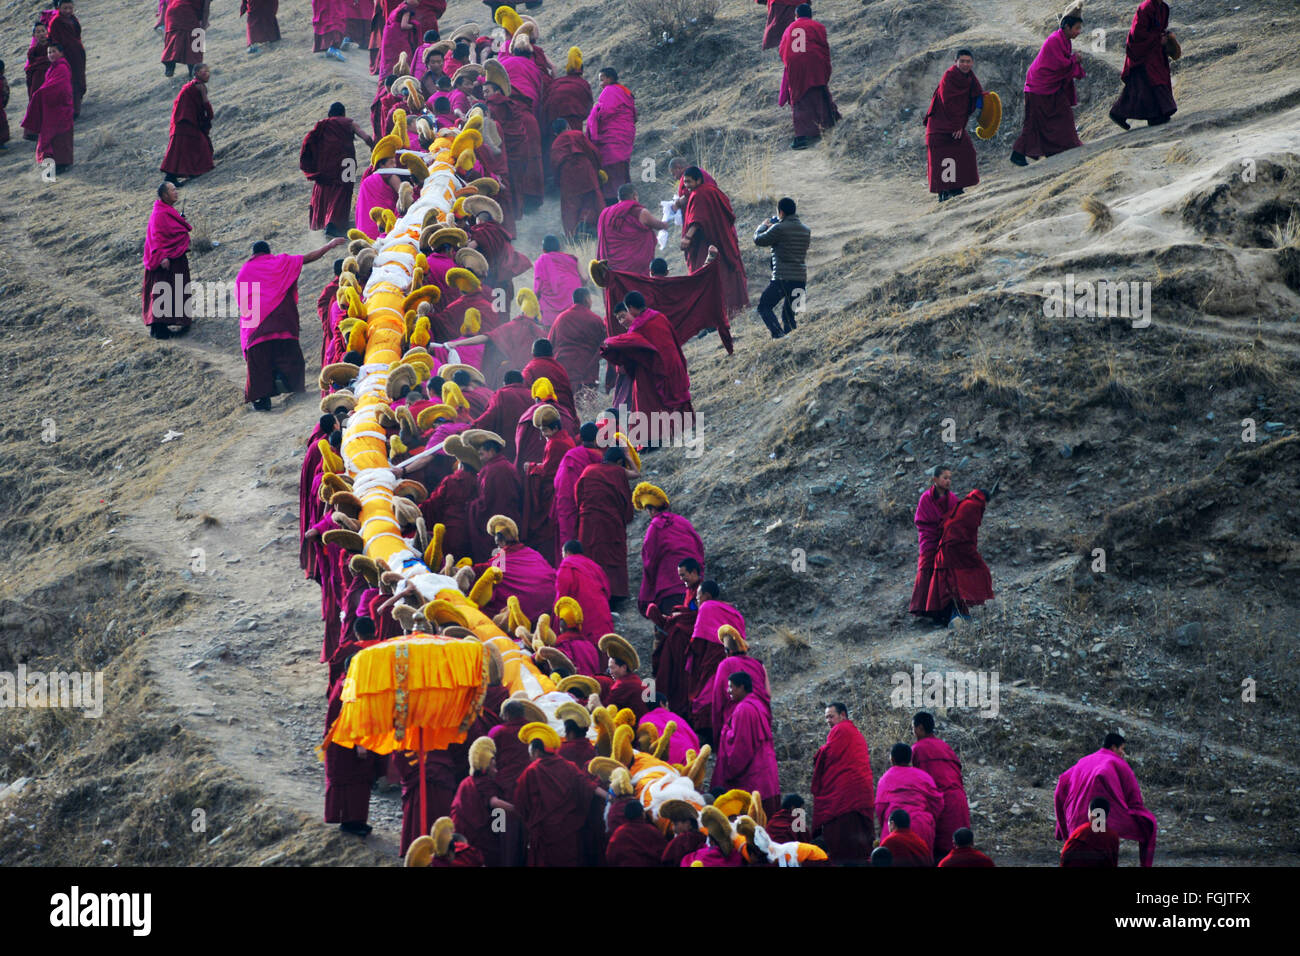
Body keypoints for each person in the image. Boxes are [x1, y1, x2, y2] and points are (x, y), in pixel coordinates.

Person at [237, 237, 345, 410]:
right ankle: (291, 385)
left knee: (258, 361)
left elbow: (244, 305)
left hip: (257, 324)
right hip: (282, 319)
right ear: (268, 252)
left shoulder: (244, 272)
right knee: (289, 353)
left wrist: (249, 329)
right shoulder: (280, 261)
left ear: (253, 254)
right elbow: (308, 258)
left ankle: (262, 400)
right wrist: (328, 246)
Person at [600, 291, 693, 440]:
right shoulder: (659, 316)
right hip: (674, 363)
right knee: (678, 395)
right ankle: (685, 423)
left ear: (630, 308)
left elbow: (634, 351)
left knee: (647, 397)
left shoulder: (638, 327)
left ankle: (652, 435)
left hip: (659, 368)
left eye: (626, 311)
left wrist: (609, 346)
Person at [1054, 732, 1157, 866]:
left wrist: (1062, 825)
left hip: (1076, 818)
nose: (1123, 753)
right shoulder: (1117, 762)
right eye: (1122, 748)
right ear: (1114, 747)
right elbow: (1133, 795)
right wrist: (1139, 813)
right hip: (1102, 823)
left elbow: (1061, 784)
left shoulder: (1084, 760)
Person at [513, 726, 603, 866]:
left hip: (544, 834)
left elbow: (520, 803)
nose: (530, 758)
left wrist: (531, 820)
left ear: (536, 752)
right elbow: (588, 787)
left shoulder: (532, 771)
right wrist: (611, 797)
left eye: (530, 753)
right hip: (568, 833)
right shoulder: (569, 766)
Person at [1011, 6, 1085, 165]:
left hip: (1051, 86)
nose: (1079, 32)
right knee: (1033, 123)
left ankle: (1060, 147)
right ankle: (1017, 154)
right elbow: (1059, 64)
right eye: (1077, 28)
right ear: (1067, 26)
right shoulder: (1054, 40)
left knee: (1063, 114)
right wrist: (1074, 59)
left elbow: (1063, 64)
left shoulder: (1065, 41)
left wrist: (1073, 59)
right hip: (1037, 86)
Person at [810, 701, 875, 864]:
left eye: (831, 716)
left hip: (845, 795)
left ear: (843, 715)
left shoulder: (840, 729)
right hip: (862, 794)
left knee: (841, 840)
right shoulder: (857, 734)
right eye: (826, 718)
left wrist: (820, 753)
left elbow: (827, 755)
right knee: (859, 844)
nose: (828, 721)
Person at [680, 168, 749, 314]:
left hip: (708, 243)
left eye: (689, 181)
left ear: (698, 180)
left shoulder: (700, 194)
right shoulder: (712, 191)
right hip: (720, 239)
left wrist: (687, 237)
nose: (686, 185)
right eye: (685, 182)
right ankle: (733, 308)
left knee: (704, 274)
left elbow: (698, 220)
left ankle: (716, 311)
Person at [711, 671, 779, 818]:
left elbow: (740, 746)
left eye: (731, 687)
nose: (728, 691)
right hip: (767, 772)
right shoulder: (758, 704)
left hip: (754, 777)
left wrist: (726, 731)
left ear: (742, 687)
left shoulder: (744, 709)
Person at [300, 102, 373, 237]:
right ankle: (334, 224)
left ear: (329, 114)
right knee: (344, 190)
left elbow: (310, 143)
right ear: (344, 113)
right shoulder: (349, 122)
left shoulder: (322, 125)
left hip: (326, 164)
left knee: (323, 189)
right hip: (348, 163)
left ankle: (320, 222)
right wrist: (374, 147)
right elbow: (366, 137)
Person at [924, 486, 994, 626]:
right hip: (958, 548)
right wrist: (970, 550)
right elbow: (969, 531)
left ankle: (944, 617)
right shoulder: (975, 506)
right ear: (984, 499)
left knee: (948, 581)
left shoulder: (963, 503)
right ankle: (959, 614)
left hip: (945, 547)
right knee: (970, 575)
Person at [575, 446, 636, 601]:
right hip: (611, 522)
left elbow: (578, 494)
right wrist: (629, 456)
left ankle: (590, 590)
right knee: (612, 556)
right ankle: (615, 594)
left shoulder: (588, 470)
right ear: (619, 462)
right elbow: (637, 473)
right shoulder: (618, 472)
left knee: (590, 554)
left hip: (588, 521)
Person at [634, 483, 704, 615]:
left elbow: (650, 561)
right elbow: (699, 546)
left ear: (651, 509)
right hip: (695, 585)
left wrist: (648, 593)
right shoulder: (683, 521)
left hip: (670, 587)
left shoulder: (655, 526)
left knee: (673, 628)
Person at [911, 711, 971, 863]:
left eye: (913, 727)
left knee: (942, 854)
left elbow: (919, 782)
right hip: (960, 800)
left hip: (940, 803)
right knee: (962, 852)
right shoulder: (945, 746)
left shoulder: (918, 749)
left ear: (919, 728)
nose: (913, 732)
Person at [778, 5, 840, 150]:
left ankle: (800, 138)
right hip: (814, 63)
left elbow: (782, 50)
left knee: (799, 99)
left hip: (795, 66)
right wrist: (824, 68)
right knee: (819, 92)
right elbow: (824, 48)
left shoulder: (789, 28)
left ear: (796, 15)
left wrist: (791, 63)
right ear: (811, 15)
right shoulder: (818, 26)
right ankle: (827, 126)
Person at [1109, 0, 1177, 130]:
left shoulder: (1163, 8)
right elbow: (1138, 34)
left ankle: (1120, 113)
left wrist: (1166, 36)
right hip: (1142, 51)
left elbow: (1161, 28)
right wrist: (1158, 38)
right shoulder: (1146, 7)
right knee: (1150, 81)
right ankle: (1153, 115)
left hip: (1155, 51)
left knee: (1143, 85)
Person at [925, 49, 983, 202]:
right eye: (962, 61)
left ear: (972, 63)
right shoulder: (949, 76)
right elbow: (947, 101)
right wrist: (957, 125)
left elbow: (976, 94)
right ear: (956, 62)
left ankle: (956, 187)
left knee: (965, 152)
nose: (965, 64)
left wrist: (985, 102)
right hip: (940, 124)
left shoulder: (969, 77)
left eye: (968, 61)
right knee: (942, 158)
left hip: (955, 123)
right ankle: (944, 192)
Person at [142, 182, 194, 339]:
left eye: (176, 189)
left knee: (176, 289)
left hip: (175, 257)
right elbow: (156, 237)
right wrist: (162, 256)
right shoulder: (159, 213)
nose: (176, 192)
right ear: (165, 195)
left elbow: (171, 230)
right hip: (165, 261)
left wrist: (179, 220)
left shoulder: (167, 210)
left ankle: (175, 320)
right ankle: (158, 328)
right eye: (173, 190)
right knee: (162, 292)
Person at [752, 197, 810, 339]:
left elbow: (758, 239)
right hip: (801, 281)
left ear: (781, 212)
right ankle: (792, 341)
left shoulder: (779, 228)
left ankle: (779, 336)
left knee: (763, 307)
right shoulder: (806, 230)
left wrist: (763, 226)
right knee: (790, 317)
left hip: (782, 279)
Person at [874, 742, 943, 855]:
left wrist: (887, 825)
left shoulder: (886, 778)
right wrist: (929, 819)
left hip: (894, 828)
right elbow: (937, 803)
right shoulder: (924, 776)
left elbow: (880, 807)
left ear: (892, 759)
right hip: (921, 825)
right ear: (910, 759)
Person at [909, 466, 956, 624]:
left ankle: (946, 612)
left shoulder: (953, 499)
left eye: (950, 478)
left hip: (947, 542)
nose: (948, 481)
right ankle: (926, 611)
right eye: (944, 478)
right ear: (935, 480)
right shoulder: (925, 499)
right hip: (930, 542)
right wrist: (937, 531)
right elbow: (921, 522)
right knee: (927, 571)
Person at [584, 67, 636, 204]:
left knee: (611, 168)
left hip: (612, 138)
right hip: (624, 136)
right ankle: (628, 198)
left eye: (602, 80)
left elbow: (604, 112)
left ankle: (613, 202)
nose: (600, 84)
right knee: (621, 168)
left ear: (610, 78)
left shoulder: (610, 91)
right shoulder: (624, 91)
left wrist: (595, 111)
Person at [20, 42, 73, 173]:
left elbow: (61, 87)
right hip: (51, 108)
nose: (51, 54)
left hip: (60, 108)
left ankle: (60, 165)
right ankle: (50, 170)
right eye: (49, 52)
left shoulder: (62, 67)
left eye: (54, 51)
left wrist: (40, 94)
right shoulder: (52, 68)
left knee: (58, 138)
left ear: (61, 53)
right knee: (48, 138)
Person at [596, 184, 671, 275]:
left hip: (613, 266)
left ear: (619, 198)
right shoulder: (639, 212)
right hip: (635, 265)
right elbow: (659, 225)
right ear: (635, 196)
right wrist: (667, 220)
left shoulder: (605, 213)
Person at [160, 62, 214, 186]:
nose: (207, 74)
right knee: (184, 147)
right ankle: (172, 177)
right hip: (185, 121)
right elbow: (205, 103)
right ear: (196, 74)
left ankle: (190, 172)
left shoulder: (192, 86)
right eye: (203, 72)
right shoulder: (199, 86)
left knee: (191, 146)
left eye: (208, 71)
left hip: (184, 121)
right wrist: (210, 115)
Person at [549, 120, 604, 239]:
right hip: (585, 170)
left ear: (555, 133)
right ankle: (590, 224)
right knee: (591, 197)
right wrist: (597, 168)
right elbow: (593, 152)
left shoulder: (555, 144)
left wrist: (559, 183)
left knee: (571, 204)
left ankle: (574, 234)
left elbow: (555, 166)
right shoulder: (577, 134)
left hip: (567, 176)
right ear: (568, 126)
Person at [554, 539, 615, 645]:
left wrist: (556, 623)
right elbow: (607, 591)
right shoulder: (594, 565)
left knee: (587, 650)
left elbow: (562, 598)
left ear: (567, 552)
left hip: (585, 615)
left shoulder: (566, 565)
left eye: (562, 553)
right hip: (602, 612)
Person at [549, 289, 605, 387]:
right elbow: (604, 346)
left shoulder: (560, 318)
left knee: (564, 401)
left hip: (563, 372)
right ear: (587, 300)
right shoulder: (596, 320)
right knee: (586, 401)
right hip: (587, 373)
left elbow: (550, 344)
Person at [533, 235, 586, 323]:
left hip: (550, 312)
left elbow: (537, 289)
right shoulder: (572, 258)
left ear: (543, 250)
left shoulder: (541, 261)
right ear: (559, 248)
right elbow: (585, 278)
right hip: (572, 307)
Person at [541, 45, 593, 133]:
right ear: (582, 71)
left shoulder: (557, 83)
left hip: (554, 122)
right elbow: (588, 108)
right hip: (574, 121)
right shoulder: (583, 84)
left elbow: (545, 102)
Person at [47, 1, 84, 118]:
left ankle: (76, 109)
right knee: (69, 82)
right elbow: (54, 41)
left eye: (70, 8)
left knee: (78, 80)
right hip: (65, 56)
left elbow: (77, 35)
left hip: (77, 54)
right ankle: (71, 111)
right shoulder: (56, 22)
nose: (68, 11)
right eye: (65, 8)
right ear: (58, 8)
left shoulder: (73, 19)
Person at [1060, 797, 1121, 867]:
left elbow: (1065, 856)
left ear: (1091, 814)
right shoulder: (1113, 836)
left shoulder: (1080, 831)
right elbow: (1112, 862)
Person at [599, 633, 648, 718]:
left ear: (624, 667)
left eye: (612, 668)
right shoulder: (635, 679)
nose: (610, 672)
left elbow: (605, 710)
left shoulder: (622, 685)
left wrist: (594, 701)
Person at [606, 802, 667, 866]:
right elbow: (663, 853)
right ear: (643, 814)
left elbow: (611, 855)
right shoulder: (652, 831)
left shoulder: (619, 832)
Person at [161, 0, 209, 78]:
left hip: (171, 11)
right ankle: (193, 71)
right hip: (186, 11)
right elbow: (205, 9)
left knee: (173, 39)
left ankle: (169, 67)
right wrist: (204, 24)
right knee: (195, 41)